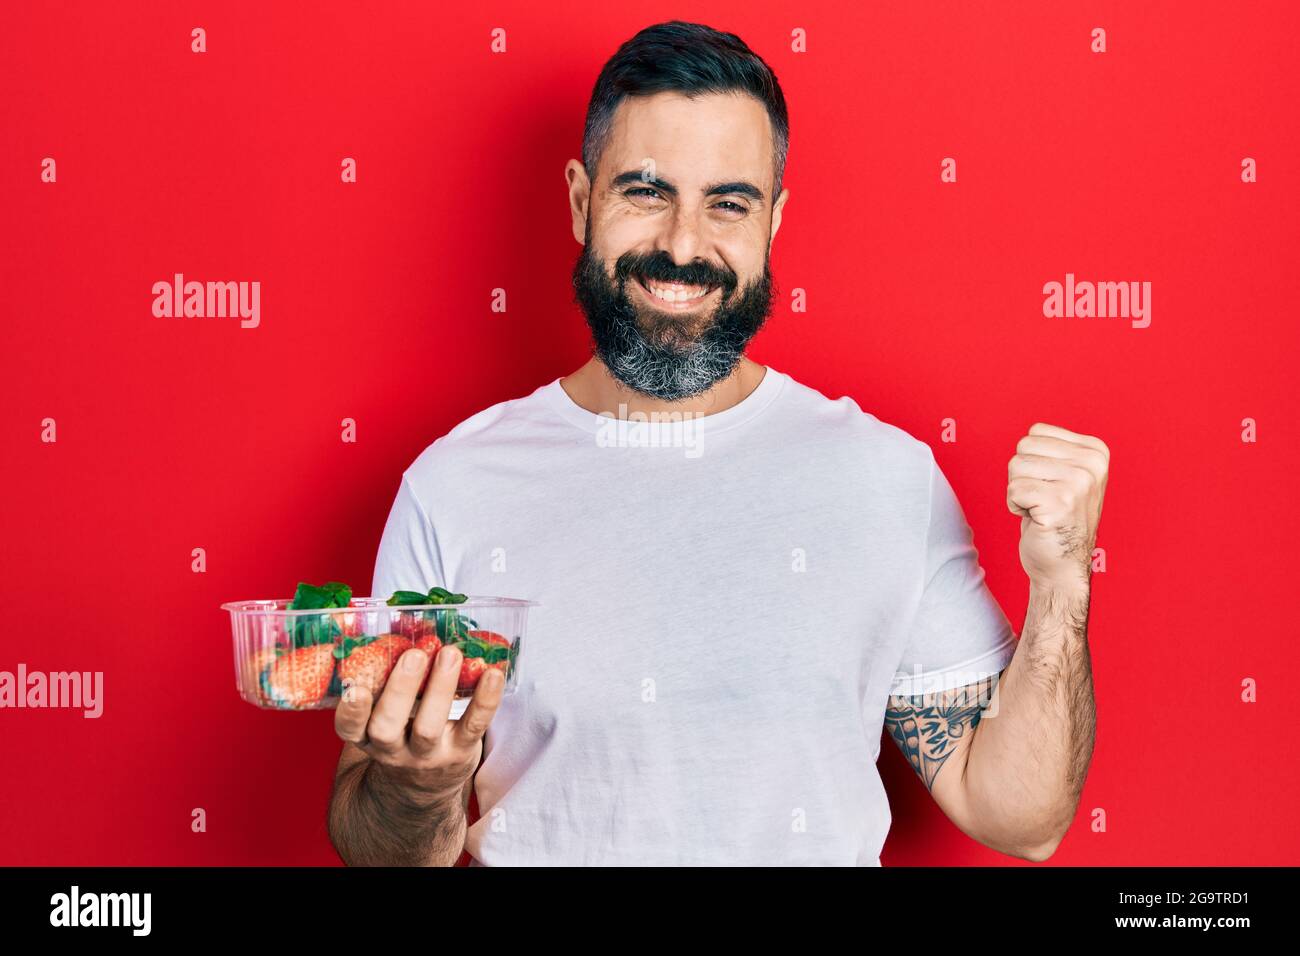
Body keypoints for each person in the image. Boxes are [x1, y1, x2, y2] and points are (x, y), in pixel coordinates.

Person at [327, 20, 1105, 867]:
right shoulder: (456, 488)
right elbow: (381, 853)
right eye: (646, 192)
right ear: (583, 200)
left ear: (773, 220)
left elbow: (1023, 818)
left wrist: (1063, 578)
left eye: (728, 203)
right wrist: (419, 786)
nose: (683, 246)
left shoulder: (884, 477)